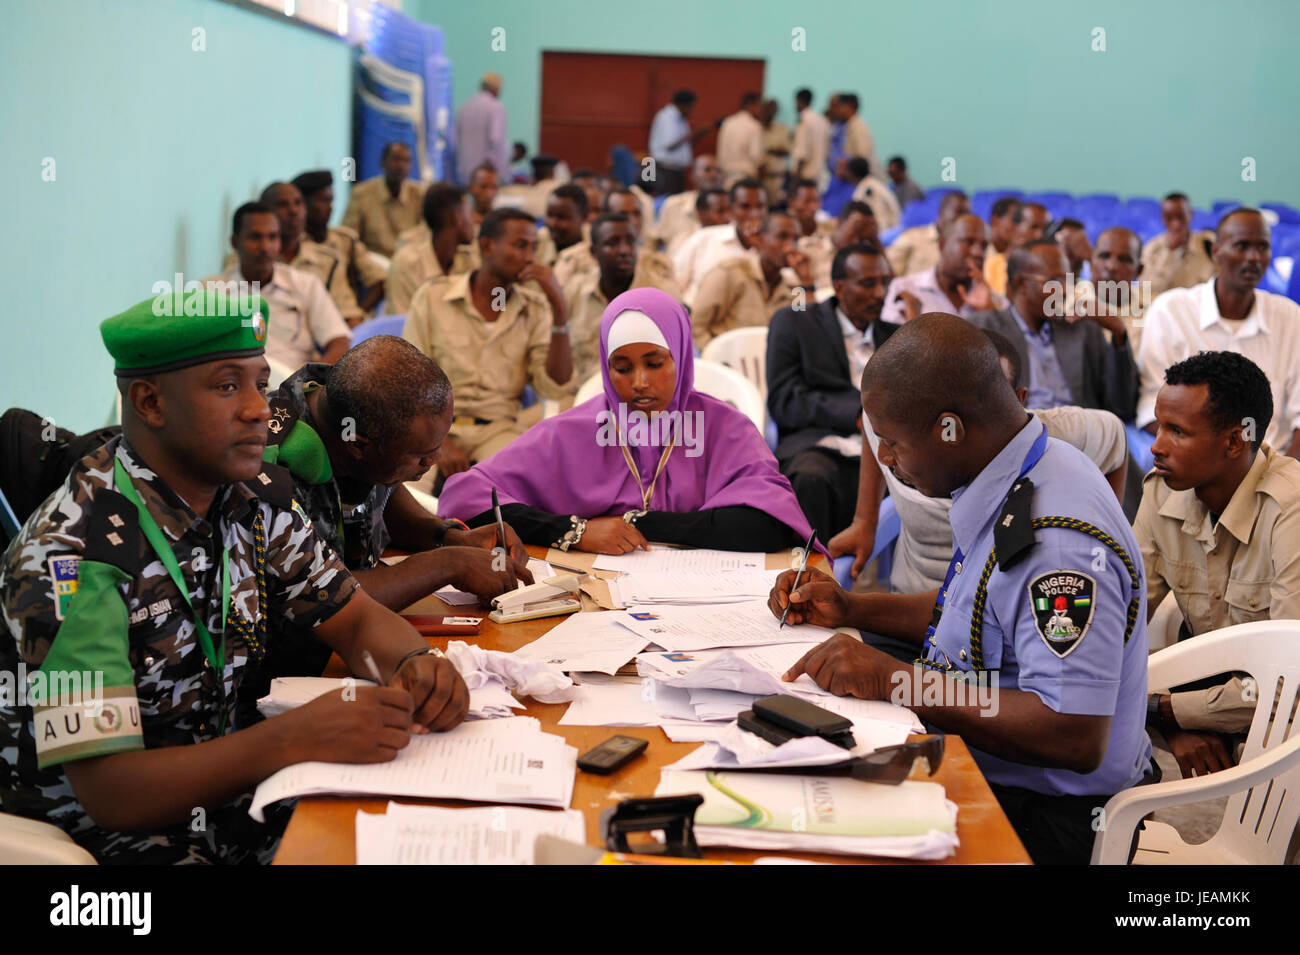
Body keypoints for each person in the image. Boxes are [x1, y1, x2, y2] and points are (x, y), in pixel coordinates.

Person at [0, 290, 468, 863]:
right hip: (103, 833)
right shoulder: (73, 555)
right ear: (149, 401)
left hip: (232, 789)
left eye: (260, 383)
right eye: (228, 387)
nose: (256, 409)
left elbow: (356, 619)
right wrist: (292, 739)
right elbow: (111, 790)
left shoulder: (255, 497)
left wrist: (413, 664)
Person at [769, 313, 1154, 865]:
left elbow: (1073, 734)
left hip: (1048, 812)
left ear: (949, 427)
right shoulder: (1024, 463)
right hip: (987, 747)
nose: (888, 460)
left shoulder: (1056, 546)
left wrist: (896, 680)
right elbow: (977, 611)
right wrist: (853, 607)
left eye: (894, 443)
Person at [246, 336, 532, 714]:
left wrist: (446, 535)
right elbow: (328, 594)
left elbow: (381, 491)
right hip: (288, 687)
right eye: (421, 456)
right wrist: (450, 563)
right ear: (359, 445)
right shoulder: (269, 466)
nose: (437, 459)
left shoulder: (354, 408)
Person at [436, 288, 816, 554]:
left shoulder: (724, 428)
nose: (639, 383)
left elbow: (770, 524)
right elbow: (465, 499)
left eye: (655, 363)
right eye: (621, 368)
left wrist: (640, 523)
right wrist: (577, 531)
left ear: (680, 356)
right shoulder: (573, 432)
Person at [834, 327, 1129, 589]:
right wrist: (865, 519)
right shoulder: (903, 430)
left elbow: (1115, 435)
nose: (886, 454)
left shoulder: (1052, 448)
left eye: (992, 395)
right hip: (911, 604)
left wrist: (1102, 537)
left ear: (1018, 400)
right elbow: (875, 432)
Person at [1136, 351, 1300, 778]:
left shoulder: (1290, 510)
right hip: (1220, 697)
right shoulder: (1159, 493)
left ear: (1232, 442)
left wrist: (1168, 709)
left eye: (1177, 431)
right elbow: (1117, 627)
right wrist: (1171, 723)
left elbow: (1290, 683)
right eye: (1158, 425)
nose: (1156, 444)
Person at [401, 208, 573, 482]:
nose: (530, 257)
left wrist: (559, 308)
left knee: (520, 486)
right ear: (486, 246)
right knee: (409, 493)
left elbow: (553, 385)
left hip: (498, 431)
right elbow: (409, 382)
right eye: (520, 245)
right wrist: (441, 441)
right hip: (432, 428)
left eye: (534, 247)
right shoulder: (433, 297)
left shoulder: (535, 309)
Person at [1138, 208, 1300, 456]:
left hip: (1270, 464)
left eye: (1263, 247)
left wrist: (1283, 478)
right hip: (1192, 464)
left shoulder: (1289, 318)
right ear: (1216, 252)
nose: (1253, 257)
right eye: (1241, 246)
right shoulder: (1171, 312)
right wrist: (1211, 466)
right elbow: (1153, 411)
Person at [767, 243, 898, 538]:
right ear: (839, 287)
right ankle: (814, 574)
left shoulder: (895, 336)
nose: (880, 294)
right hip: (821, 444)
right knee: (810, 478)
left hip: (888, 451)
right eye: (868, 284)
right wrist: (856, 413)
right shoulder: (795, 322)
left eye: (884, 282)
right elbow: (785, 400)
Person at [968, 240, 1137, 421]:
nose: (1064, 290)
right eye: (1055, 281)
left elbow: (1123, 408)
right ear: (1021, 283)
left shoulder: (1083, 330)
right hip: (1020, 434)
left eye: (1067, 280)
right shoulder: (983, 330)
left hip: (1083, 433)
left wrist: (1118, 332)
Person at [205, 202, 350, 370]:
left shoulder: (306, 285)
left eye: (272, 237)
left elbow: (339, 342)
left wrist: (309, 383)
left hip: (297, 387)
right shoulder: (211, 291)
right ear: (235, 242)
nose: (265, 247)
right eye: (255, 237)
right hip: (237, 388)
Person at [562, 213, 686, 383]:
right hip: (583, 391)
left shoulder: (663, 294)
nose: (624, 250)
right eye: (612, 243)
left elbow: (679, 360)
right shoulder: (576, 289)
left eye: (631, 242)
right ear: (594, 252)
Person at [691, 212, 813, 350]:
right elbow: (695, 326)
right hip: (724, 362)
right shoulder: (731, 273)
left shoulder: (796, 288)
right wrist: (716, 357)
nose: (790, 247)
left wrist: (806, 281)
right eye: (782, 237)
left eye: (795, 239)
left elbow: (804, 329)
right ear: (761, 239)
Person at [292, 169, 387, 319]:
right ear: (304, 204)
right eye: (323, 201)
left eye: (331, 201)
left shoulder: (346, 240)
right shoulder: (293, 244)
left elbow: (378, 281)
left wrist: (360, 313)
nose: (330, 208)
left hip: (346, 318)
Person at [882, 214, 1004, 323]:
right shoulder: (906, 290)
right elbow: (890, 345)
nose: (978, 253)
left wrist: (988, 314)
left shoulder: (994, 301)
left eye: (984, 246)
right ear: (942, 244)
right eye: (968, 242)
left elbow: (1009, 346)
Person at [673, 177, 769, 307]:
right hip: (695, 318)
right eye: (745, 207)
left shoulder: (772, 249)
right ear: (731, 209)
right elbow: (674, 283)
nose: (754, 214)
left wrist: (763, 251)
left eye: (760, 206)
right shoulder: (704, 239)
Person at [386, 182, 477, 315]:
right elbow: (402, 326)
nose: (473, 221)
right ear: (456, 217)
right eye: (469, 213)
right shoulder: (407, 264)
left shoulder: (468, 259)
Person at [340, 142, 425, 259]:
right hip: (372, 265)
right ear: (382, 162)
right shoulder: (361, 194)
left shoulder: (420, 195)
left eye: (406, 161)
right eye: (395, 159)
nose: (400, 166)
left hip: (410, 263)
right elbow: (347, 238)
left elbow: (426, 237)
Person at [1142, 192, 1216, 299]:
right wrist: (1168, 253)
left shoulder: (1208, 244)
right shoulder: (1152, 249)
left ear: (1191, 215)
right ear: (1162, 219)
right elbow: (1147, 291)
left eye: (1181, 216)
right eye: (1169, 218)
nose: (1176, 224)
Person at [650, 154, 725, 255]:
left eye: (718, 171)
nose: (714, 175)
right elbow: (655, 242)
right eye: (707, 170)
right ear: (692, 176)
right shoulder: (673, 204)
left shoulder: (730, 208)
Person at [886, 191, 969, 277]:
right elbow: (888, 270)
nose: (963, 218)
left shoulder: (969, 247)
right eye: (959, 212)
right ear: (941, 212)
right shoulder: (913, 237)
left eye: (967, 214)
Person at [648, 89, 713, 196]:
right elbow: (669, 144)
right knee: (667, 203)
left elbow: (684, 146)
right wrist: (695, 132)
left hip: (675, 171)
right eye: (692, 107)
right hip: (665, 171)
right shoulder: (667, 117)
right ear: (684, 106)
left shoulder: (681, 119)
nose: (693, 111)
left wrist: (697, 135)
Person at [454, 72, 508, 184]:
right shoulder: (495, 107)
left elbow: (455, 139)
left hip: (464, 171)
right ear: (496, 89)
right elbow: (496, 140)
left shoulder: (464, 107)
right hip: (486, 172)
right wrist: (499, 171)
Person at [716, 93, 765, 185]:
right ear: (750, 105)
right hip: (745, 178)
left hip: (725, 177)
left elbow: (720, 150)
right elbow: (756, 156)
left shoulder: (727, 122)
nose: (761, 110)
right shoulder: (754, 125)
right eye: (759, 106)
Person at [839, 157, 900, 231]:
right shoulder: (873, 183)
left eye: (848, 172)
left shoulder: (867, 190)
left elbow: (880, 218)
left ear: (852, 173)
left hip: (885, 232)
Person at [790, 87, 830, 189]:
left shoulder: (804, 120)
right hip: (819, 175)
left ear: (799, 101)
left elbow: (802, 152)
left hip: (805, 176)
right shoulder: (822, 120)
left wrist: (796, 179)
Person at [835, 93, 880, 178]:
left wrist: (846, 163)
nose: (838, 110)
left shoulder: (858, 126)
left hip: (862, 176)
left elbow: (862, 157)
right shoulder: (849, 125)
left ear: (850, 107)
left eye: (840, 107)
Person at [983, 196, 1021, 294]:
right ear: (995, 220)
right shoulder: (979, 250)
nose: (1019, 226)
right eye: (1015, 220)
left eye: (1021, 221)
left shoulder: (1013, 253)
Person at [760, 99, 791, 204]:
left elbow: (787, 150)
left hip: (778, 178)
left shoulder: (782, 129)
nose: (770, 112)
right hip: (761, 178)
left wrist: (770, 150)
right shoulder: (755, 128)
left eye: (773, 109)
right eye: (768, 109)